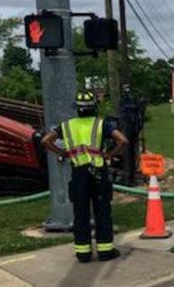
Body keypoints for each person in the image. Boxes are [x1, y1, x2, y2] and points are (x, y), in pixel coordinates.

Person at [41, 90, 130, 263]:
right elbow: (123, 140)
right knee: (102, 211)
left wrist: (62, 152)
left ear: (78, 108)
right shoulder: (101, 124)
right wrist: (109, 154)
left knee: (80, 213)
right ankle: (105, 251)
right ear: (94, 107)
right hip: (98, 173)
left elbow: (45, 140)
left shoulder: (67, 126)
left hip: (78, 173)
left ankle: (83, 253)